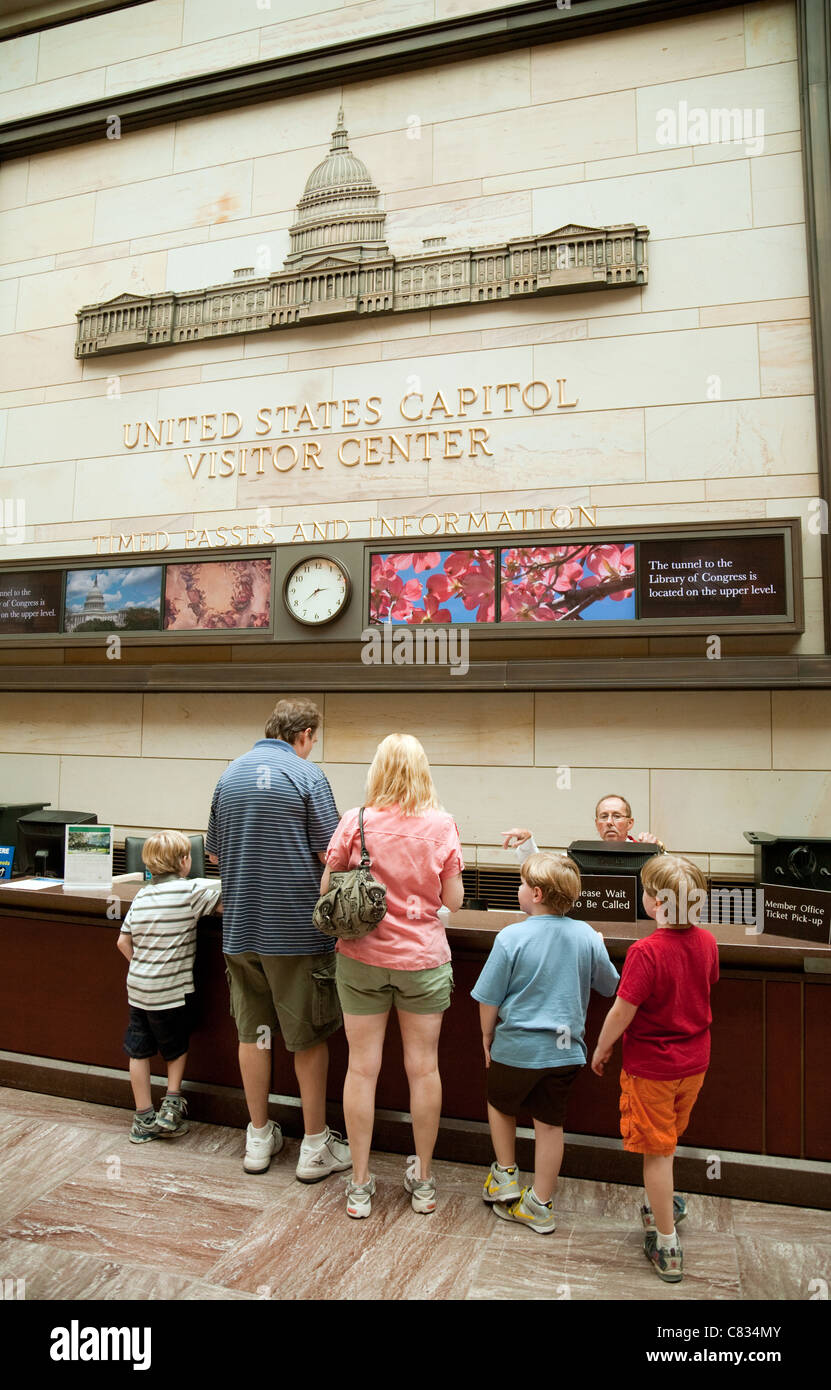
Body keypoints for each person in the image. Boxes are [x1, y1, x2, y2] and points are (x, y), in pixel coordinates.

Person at [206, 698, 351, 1182]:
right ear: (304, 734)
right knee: (308, 1038)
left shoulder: (229, 775)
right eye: (314, 738)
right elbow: (332, 855)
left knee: (253, 1034)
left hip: (240, 930)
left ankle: (258, 1136)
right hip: (296, 933)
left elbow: (212, 853)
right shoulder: (308, 777)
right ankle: (314, 1145)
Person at [321, 733, 465, 1219]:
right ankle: (422, 1182)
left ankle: (360, 1185)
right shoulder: (442, 825)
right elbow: (454, 901)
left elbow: (327, 888)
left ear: (378, 770)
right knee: (423, 1069)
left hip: (361, 959)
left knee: (362, 1069)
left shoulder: (355, 820)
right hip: (422, 963)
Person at [471, 852, 619, 1233]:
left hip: (515, 1047)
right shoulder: (585, 935)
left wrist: (487, 1036)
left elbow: (489, 998)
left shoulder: (510, 937)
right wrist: (597, 946)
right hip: (565, 1051)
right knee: (550, 1125)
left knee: (500, 1105)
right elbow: (610, 986)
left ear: (536, 894)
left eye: (522, 884)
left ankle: (505, 1177)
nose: (519, 888)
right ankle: (539, 1204)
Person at [591, 854, 719, 1284]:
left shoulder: (645, 952)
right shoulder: (708, 942)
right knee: (668, 1140)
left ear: (654, 903)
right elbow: (704, 985)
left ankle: (666, 1242)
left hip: (652, 1069)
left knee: (656, 1153)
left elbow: (622, 1011)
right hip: (694, 1064)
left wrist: (602, 1047)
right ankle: (664, 1203)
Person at [117, 830, 222, 1144]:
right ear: (185, 861)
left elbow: (122, 942)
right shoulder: (190, 892)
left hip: (138, 988)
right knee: (175, 1048)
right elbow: (228, 901)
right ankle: (171, 1106)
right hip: (171, 990)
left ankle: (143, 1118)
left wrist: (143, 966)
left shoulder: (142, 896)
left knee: (139, 1051)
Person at [502, 792, 661, 857]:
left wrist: (657, 851)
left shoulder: (646, 851)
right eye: (604, 816)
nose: (609, 822)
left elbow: (671, 878)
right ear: (597, 824)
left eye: (617, 816)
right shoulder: (582, 855)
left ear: (630, 823)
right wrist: (527, 841)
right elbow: (541, 870)